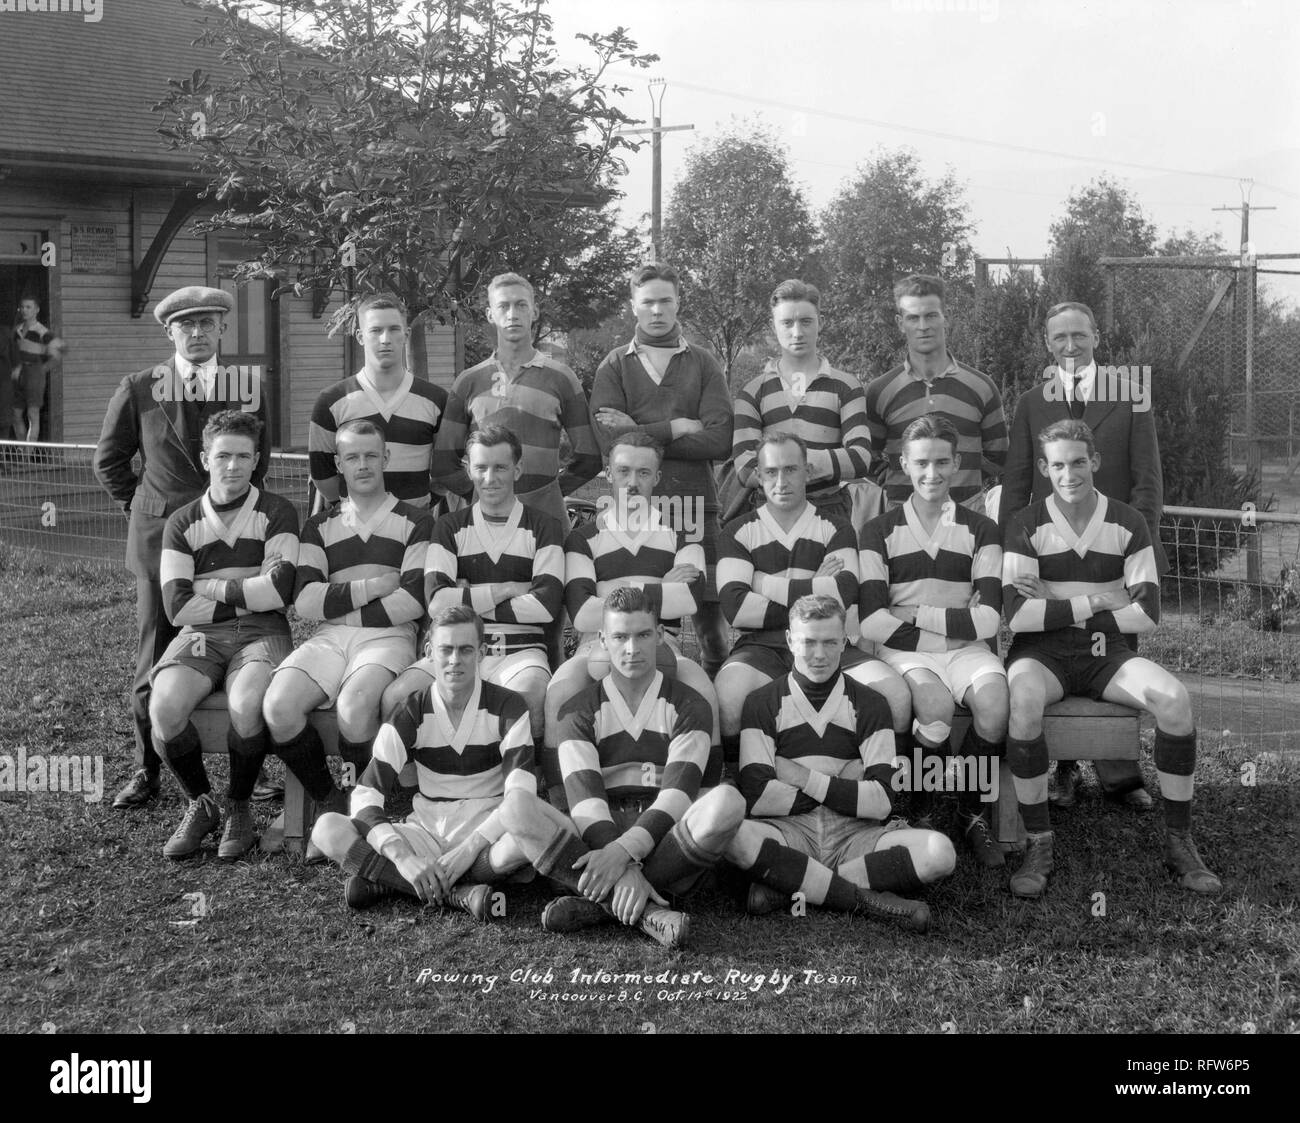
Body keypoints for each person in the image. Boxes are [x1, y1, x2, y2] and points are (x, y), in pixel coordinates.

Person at [1002, 419, 1220, 898]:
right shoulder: (1024, 523)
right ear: (1043, 467)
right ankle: (1039, 842)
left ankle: (1179, 841)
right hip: (1040, 653)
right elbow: (1017, 618)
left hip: (1106, 653)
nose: (1069, 473)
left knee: (1174, 699)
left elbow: (1146, 614)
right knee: (1022, 703)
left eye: (1078, 461)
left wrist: (1055, 601)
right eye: (1057, 464)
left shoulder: (1128, 521)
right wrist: (1101, 599)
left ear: (1095, 461)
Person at [95, 285, 272, 810]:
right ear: (169, 332)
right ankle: (147, 768)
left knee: (244, 647)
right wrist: (146, 509)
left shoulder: (246, 386)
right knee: (155, 653)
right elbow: (109, 461)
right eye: (185, 325)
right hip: (158, 544)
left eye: (207, 324)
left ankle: (250, 770)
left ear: (222, 330)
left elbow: (257, 461)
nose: (196, 333)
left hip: (232, 544)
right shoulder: (139, 387)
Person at [498, 587, 741, 949]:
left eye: (643, 634)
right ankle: (646, 912)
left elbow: (677, 797)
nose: (632, 648)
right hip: (595, 837)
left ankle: (601, 902)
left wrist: (620, 855)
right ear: (601, 640)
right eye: (620, 637)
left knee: (729, 802)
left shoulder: (689, 703)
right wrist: (615, 853)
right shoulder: (577, 709)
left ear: (660, 636)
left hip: (664, 839)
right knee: (515, 809)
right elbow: (586, 804)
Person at [1000, 300, 1166, 809]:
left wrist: (1133, 553)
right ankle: (1063, 770)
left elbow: (1147, 480)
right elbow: (1019, 480)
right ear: (1047, 344)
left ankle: (1120, 774)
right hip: (1052, 555)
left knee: (1110, 651)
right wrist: (1008, 551)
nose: (1070, 346)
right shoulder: (1032, 401)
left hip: (1113, 555)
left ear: (1096, 336)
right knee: (1051, 649)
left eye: (1079, 335)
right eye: (1059, 339)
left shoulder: (1130, 396)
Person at [729, 594, 950, 931]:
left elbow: (880, 803)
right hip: (789, 832)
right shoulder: (762, 703)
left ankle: (792, 885)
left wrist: (801, 775)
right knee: (729, 834)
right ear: (790, 641)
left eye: (830, 642)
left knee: (940, 852)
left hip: (855, 834)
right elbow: (759, 798)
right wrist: (846, 782)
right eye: (808, 642)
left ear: (845, 641)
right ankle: (860, 899)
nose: (819, 654)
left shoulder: (872, 704)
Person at [263, 419, 432, 858]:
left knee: (355, 708)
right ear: (338, 463)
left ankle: (361, 807)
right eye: (352, 457)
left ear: (386, 459)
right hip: (330, 636)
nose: (362, 465)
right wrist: (373, 586)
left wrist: (338, 600)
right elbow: (305, 602)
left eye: (371, 455)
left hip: (389, 636)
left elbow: (412, 601)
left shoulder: (415, 521)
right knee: (279, 706)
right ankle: (329, 799)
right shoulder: (319, 525)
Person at [310, 606, 537, 921]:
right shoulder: (411, 711)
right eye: (446, 649)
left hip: (485, 835)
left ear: (482, 652)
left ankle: (389, 884)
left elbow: (520, 795)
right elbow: (365, 794)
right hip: (427, 832)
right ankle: (457, 894)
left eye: (466, 650)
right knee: (326, 829)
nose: (455, 660)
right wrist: (401, 857)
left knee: (531, 832)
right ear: (430, 652)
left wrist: (471, 847)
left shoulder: (509, 705)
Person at [859, 415, 1007, 867]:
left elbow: (987, 621)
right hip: (905, 651)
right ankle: (924, 807)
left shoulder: (982, 530)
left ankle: (970, 808)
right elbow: (872, 622)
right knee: (936, 707)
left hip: (964, 649)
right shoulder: (878, 531)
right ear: (904, 462)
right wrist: (945, 627)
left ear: (957, 462)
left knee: (997, 707)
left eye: (942, 462)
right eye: (921, 462)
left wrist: (921, 614)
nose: (932, 473)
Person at [149, 410, 298, 859]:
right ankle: (202, 803)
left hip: (261, 631)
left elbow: (279, 591)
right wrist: (246, 592)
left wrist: (209, 587)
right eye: (222, 456)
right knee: (165, 706)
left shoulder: (277, 511)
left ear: (256, 461)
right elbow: (177, 607)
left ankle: (238, 804)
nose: (232, 466)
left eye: (242, 457)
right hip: (200, 635)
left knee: (246, 703)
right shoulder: (182, 522)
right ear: (204, 458)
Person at [543, 429, 719, 800]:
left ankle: (705, 792)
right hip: (597, 644)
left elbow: (687, 600)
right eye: (623, 471)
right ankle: (560, 796)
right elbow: (582, 614)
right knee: (559, 690)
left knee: (704, 689)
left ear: (657, 478)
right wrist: (658, 588)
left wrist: (607, 592)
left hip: (661, 641)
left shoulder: (683, 533)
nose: (632, 482)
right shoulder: (583, 537)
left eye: (643, 473)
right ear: (608, 474)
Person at [715, 431, 910, 764]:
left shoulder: (837, 527)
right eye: (771, 472)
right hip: (763, 646)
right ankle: (741, 785)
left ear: (807, 472)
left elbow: (843, 595)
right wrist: (817, 583)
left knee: (896, 697)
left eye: (791, 469)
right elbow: (736, 609)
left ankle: (896, 794)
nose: (781, 480)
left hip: (831, 643)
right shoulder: (737, 531)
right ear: (758, 477)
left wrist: (761, 584)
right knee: (729, 700)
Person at [589, 263, 733, 676]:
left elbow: (719, 440)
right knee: (632, 615)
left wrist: (635, 429)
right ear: (633, 305)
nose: (656, 310)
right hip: (632, 508)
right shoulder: (614, 364)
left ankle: (715, 713)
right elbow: (610, 445)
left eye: (665, 301)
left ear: (678, 302)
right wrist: (676, 427)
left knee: (711, 630)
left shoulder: (703, 363)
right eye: (647, 301)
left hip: (694, 504)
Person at [382, 425, 563, 742]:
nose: (490, 478)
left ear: (517, 469)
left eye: (500, 467)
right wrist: (506, 589)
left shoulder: (544, 527)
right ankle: (410, 786)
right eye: (481, 467)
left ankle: (521, 782)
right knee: (397, 696)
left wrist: (464, 597)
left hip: (518, 651)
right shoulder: (449, 527)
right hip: (454, 646)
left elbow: (545, 607)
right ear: (468, 469)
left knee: (530, 695)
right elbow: (437, 603)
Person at [430, 272, 601, 529]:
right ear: (490, 315)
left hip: (547, 525)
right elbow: (443, 463)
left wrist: (547, 492)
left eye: (521, 305)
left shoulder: (562, 378)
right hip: (484, 526)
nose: (512, 313)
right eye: (503, 306)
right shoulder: (468, 381)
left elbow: (590, 457)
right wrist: (482, 493)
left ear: (534, 312)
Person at [730, 279, 872, 523]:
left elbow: (860, 458)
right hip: (769, 510)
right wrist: (810, 468)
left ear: (820, 323)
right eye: (787, 323)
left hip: (830, 509)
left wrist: (782, 469)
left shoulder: (846, 386)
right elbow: (744, 467)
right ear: (773, 327)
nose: (797, 332)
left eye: (806, 321)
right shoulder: (753, 391)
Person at [864, 274, 1007, 510]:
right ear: (901, 323)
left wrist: (962, 480)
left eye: (931, 315)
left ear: (945, 318)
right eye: (913, 318)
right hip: (900, 517)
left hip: (967, 516)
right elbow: (868, 455)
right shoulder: (880, 390)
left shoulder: (982, 386)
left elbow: (999, 455)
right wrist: (894, 479)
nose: (923, 326)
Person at [308, 292, 447, 510]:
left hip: (417, 532)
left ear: (407, 334)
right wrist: (357, 508)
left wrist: (418, 508)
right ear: (360, 336)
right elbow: (322, 474)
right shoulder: (331, 401)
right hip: (352, 530)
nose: (385, 339)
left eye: (393, 329)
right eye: (375, 330)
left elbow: (445, 470)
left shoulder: (437, 400)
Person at [12, 295, 62, 446]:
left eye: (29, 307)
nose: (25, 310)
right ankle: (22, 455)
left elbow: (59, 353)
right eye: (23, 307)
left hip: (34, 374)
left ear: (36, 310)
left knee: (32, 414)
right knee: (15, 414)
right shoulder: (17, 330)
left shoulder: (43, 332)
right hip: (18, 374)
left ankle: (28, 456)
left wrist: (41, 370)